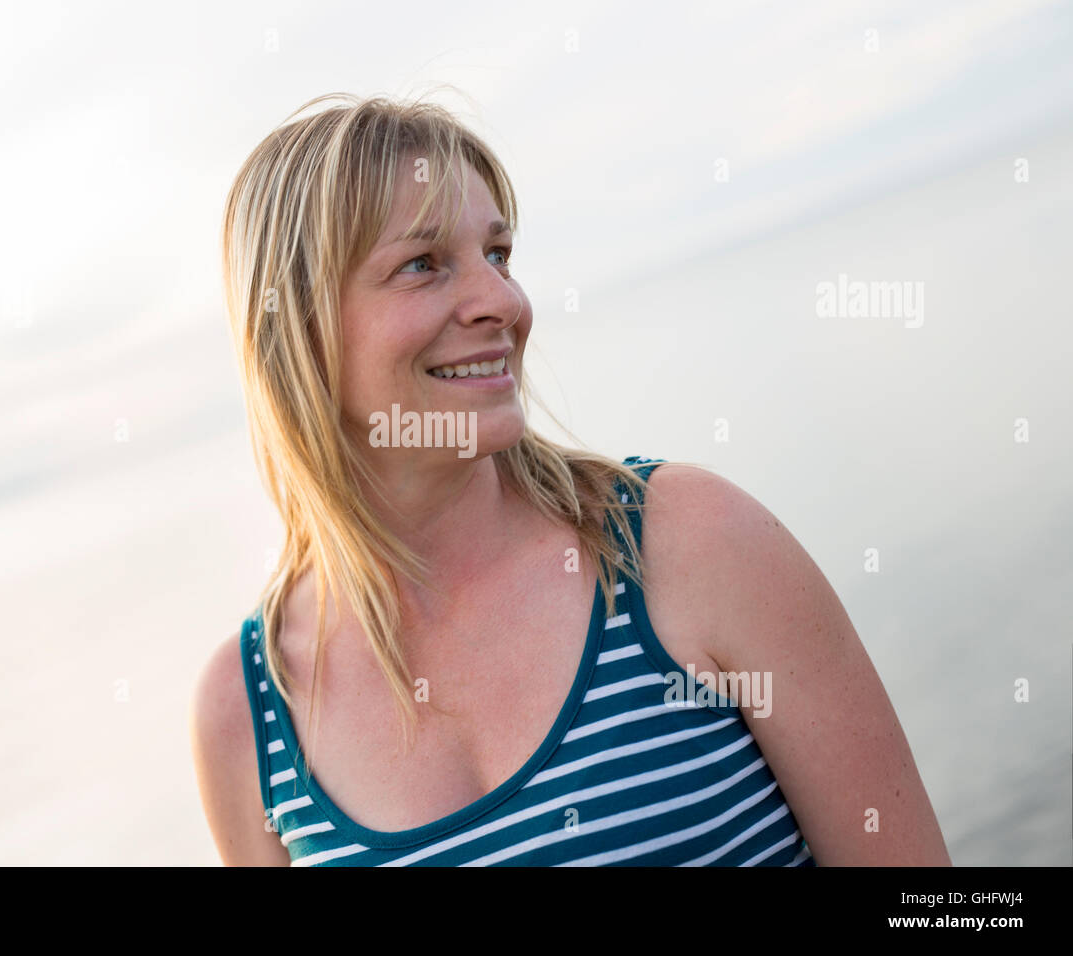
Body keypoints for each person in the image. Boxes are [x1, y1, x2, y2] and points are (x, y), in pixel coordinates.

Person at [190, 90, 951, 866]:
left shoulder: (691, 545)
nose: (503, 301)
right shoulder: (246, 715)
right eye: (422, 265)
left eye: (498, 254)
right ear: (298, 330)